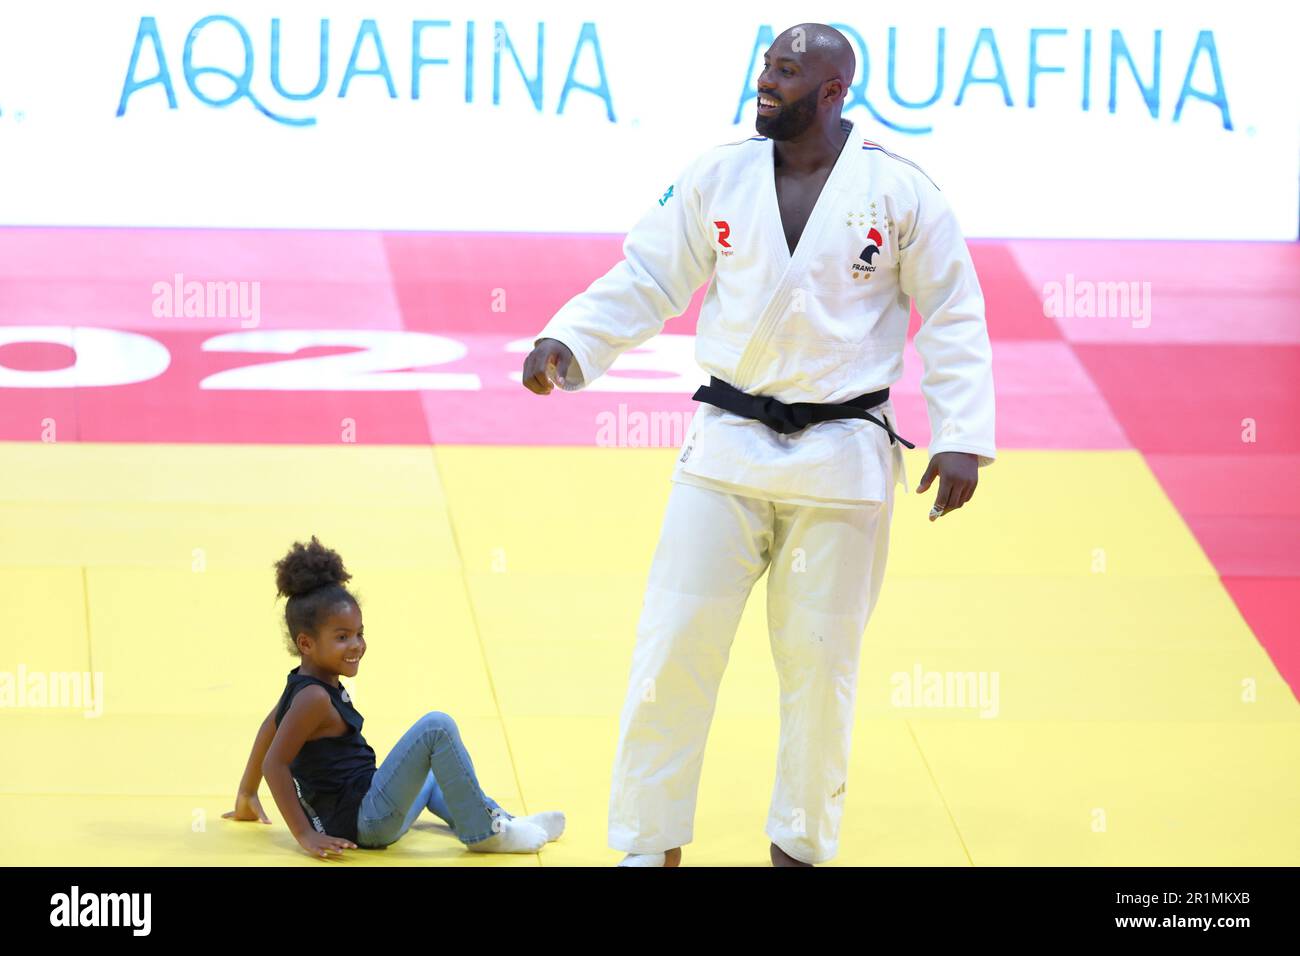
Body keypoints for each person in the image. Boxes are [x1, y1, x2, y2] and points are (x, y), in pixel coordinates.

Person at [521, 23, 995, 867]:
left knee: (820, 674)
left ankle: (800, 848)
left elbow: (954, 310)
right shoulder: (719, 175)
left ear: (834, 91)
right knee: (671, 650)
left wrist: (961, 436)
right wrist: (572, 340)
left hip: (844, 455)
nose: (766, 82)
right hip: (728, 446)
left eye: (787, 71)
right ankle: (647, 843)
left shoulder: (900, 191)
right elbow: (648, 273)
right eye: (766, 65)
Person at [224, 535, 565, 859]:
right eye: (342, 637)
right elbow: (274, 762)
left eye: (359, 633)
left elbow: (269, 728)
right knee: (437, 728)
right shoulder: (313, 698)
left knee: (433, 776)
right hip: (365, 823)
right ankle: (485, 834)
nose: (356, 645)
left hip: (368, 803)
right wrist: (305, 835)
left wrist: (246, 793)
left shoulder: (305, 685)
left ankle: (503, 822)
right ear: (306, 644)